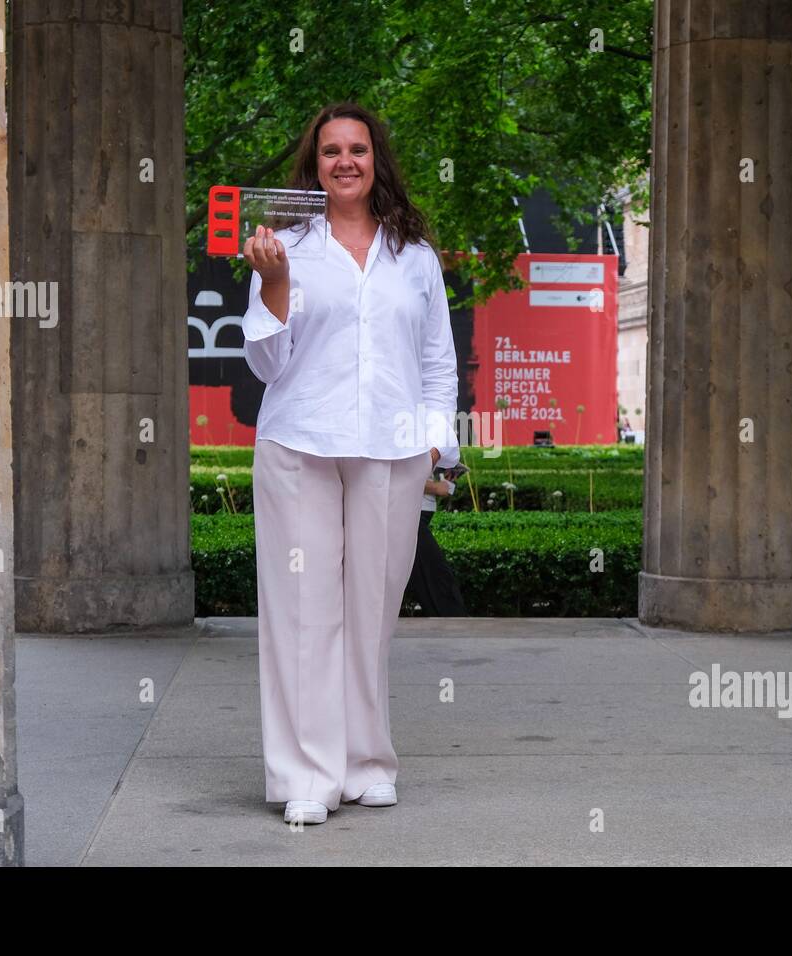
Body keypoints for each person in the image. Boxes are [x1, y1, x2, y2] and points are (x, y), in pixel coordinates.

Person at [241, 103, 460, 826]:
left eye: (358, 149)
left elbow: (436, 362)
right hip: (299, 445)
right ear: (315, 163)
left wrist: (436, 443)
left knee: (372, 612)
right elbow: (267, 362)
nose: (345, 161)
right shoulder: (283, 245)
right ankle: (307, 774)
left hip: (393, 453)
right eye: (331, 150)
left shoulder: (415, 254)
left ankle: (368, 763)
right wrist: (273, 284)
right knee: (304, 614)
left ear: (376, 161)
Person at [407, 465, 468, 616]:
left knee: (427, 574)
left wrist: (444, 480)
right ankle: (453, 620)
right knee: (436, 574)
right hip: (411, 515)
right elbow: (402, 477)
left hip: (420, 515)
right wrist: (436, 487)